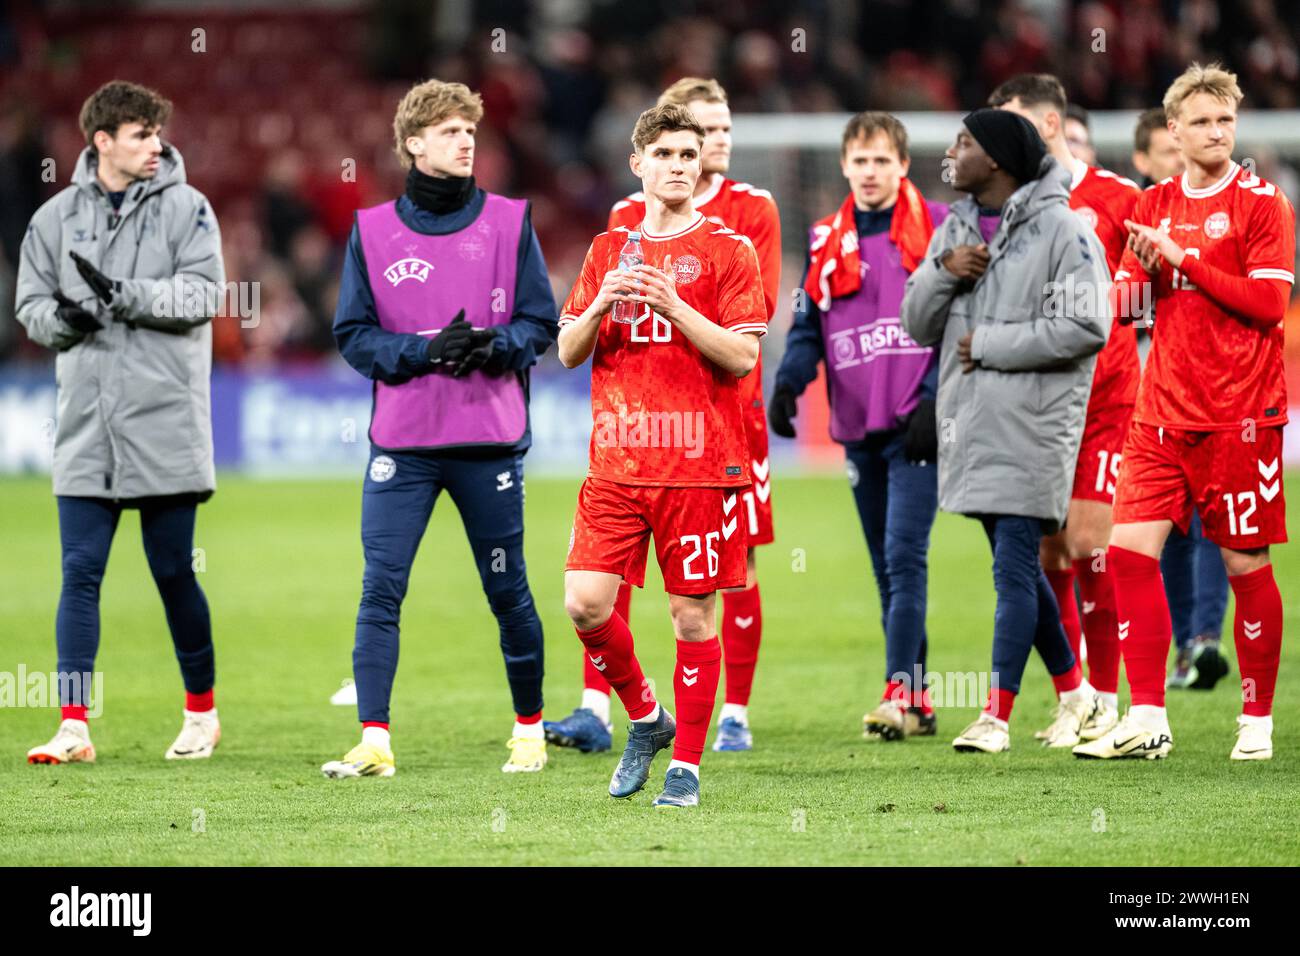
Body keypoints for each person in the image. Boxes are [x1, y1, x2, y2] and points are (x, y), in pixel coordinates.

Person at [322, 79, 559, 779]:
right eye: (451, 131)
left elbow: (539, 322)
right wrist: (423, 352)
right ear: (414, 144)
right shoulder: (370, 231)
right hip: (405, 446)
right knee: (381, 587)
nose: (465, 142)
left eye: (470, 132)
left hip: (487, 443)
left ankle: (529, 731)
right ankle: (374, 741)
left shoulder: (512, 223)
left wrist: (496, 345)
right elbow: (353, 336)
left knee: (507, 589)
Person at [546, 78, 781, 754]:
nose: (682, 163)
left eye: (692, 151)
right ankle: (633, 713)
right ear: (638, 162)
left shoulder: (735, 237)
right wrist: (598, 306)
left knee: (697, 610)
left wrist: (676, 305)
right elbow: (566, 350)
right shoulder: (608, 245)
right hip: (619, 456)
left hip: (704, 454)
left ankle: (705, 745)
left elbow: (741, 354)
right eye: (668, 153)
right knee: (587, 600)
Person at [1075, 64, 1294, 762]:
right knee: (1127, 556)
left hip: (1240, 415)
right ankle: (1148, 717)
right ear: (1174, 131)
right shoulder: (1155, 203)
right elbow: (1132, 304)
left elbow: (1267, 307)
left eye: (1225, 120)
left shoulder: (1265, 203)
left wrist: (1186, 260)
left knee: (1244, 562)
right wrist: (1107, 286)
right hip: (1160, 410)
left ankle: (1255, 719)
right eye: (1201, 122)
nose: (1216, 132)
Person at [17, 80, 226, 764]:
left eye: (156, 134)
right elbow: (29, 305)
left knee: (172, 572)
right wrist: (64, 321)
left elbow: (204, 294)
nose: (154, 146)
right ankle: (73, 726)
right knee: (79, 572)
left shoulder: (190, 210)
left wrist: (122, 295)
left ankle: (202, 714)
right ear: (101, 141)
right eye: (140, 135)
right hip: (85, 426)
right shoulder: (51, 219)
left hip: (164, 421)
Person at [900, 108, 1111, 754]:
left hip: (1033, 427)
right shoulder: (957, 228)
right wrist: (942, 271)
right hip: (973, 428)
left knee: (1013, 570)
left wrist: (990, 342)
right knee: (1016, 568)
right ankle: (1078, 694)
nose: (951, 151)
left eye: (963, 142)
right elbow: (915, 323)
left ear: (994, 160)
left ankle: (994, 717)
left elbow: (1087, 326)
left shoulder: (1064, 230)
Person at [770, 111, 947, 742]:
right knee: (885, 567)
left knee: (904, 558)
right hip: (856, 424)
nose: (870, 173)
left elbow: (959, 323)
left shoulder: (940, 230)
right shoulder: (825, 239)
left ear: (903, 166)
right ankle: (922, 698)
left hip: (917, 425)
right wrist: (789, 381)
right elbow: (808, 326)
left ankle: (897, 696)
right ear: (844, 166)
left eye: (882, 161)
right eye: (860, 161)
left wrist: (935, 399)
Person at [989, 74, 1142, 747]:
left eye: (1010, 125)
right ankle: (1072, 698)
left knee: (1090, 544)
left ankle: (1109, 700)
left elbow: (1138, 292)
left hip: (1106, 399)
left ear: (1046, 124)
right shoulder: (1011, 203)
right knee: (1050, 553)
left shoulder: (1117, 199)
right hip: (1039, 405)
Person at [1133, 106, 1232, 690]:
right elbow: (1118, 310)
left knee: (1210, 519)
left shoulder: (1226, 209)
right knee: (1163, 524)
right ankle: (1182, 644)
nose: (1185, 160)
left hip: (1211, 391)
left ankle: (1203, 638)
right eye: (1171, 152)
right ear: (1146, 158)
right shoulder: (1135, 213)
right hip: (1145, 388)